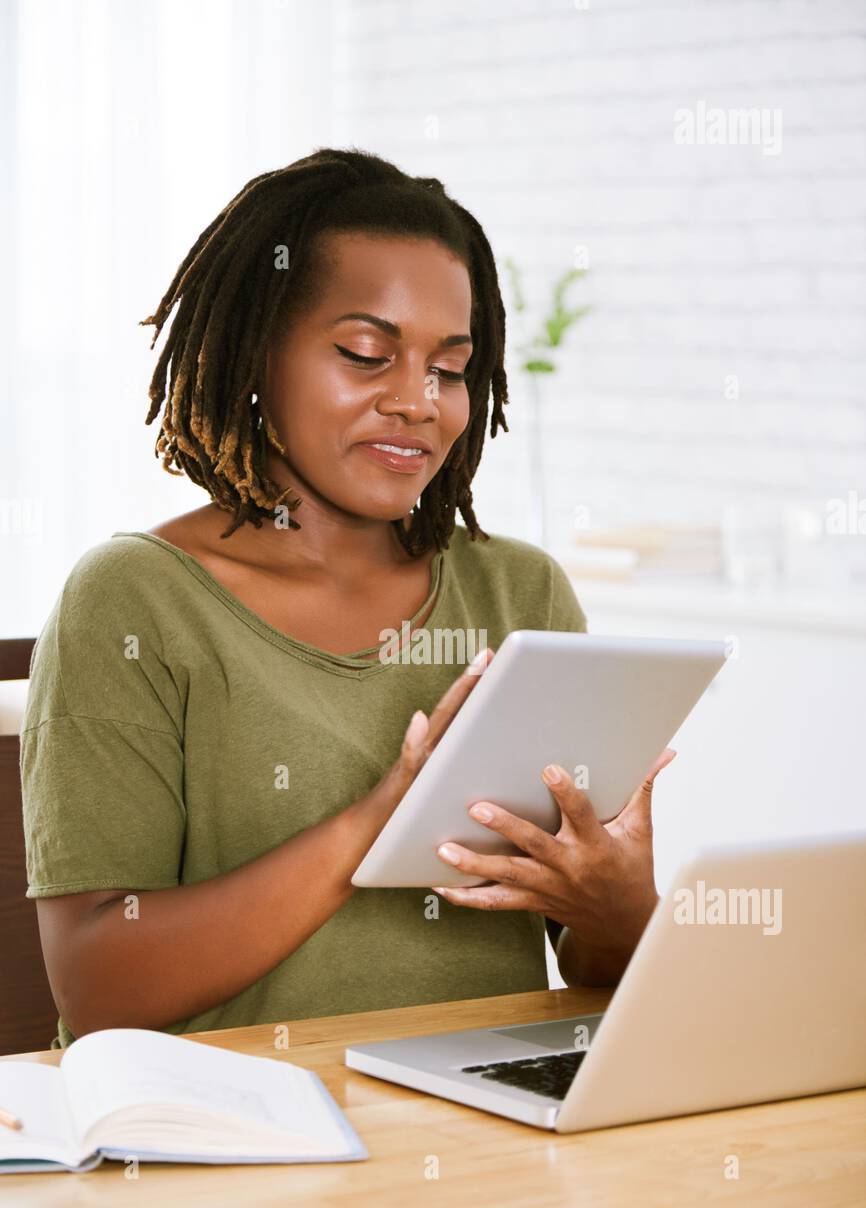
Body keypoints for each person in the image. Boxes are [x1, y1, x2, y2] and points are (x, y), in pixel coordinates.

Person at [20, 147, 673, 1050]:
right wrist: (382, 816)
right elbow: (99, 989)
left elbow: (592, 971)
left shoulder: (521, 592)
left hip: (488, 1131)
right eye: (366, 354)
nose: (418, 401)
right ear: (257, 353)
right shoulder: (133, 602)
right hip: (219, 1144)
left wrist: (622, 902)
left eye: (450, 369)